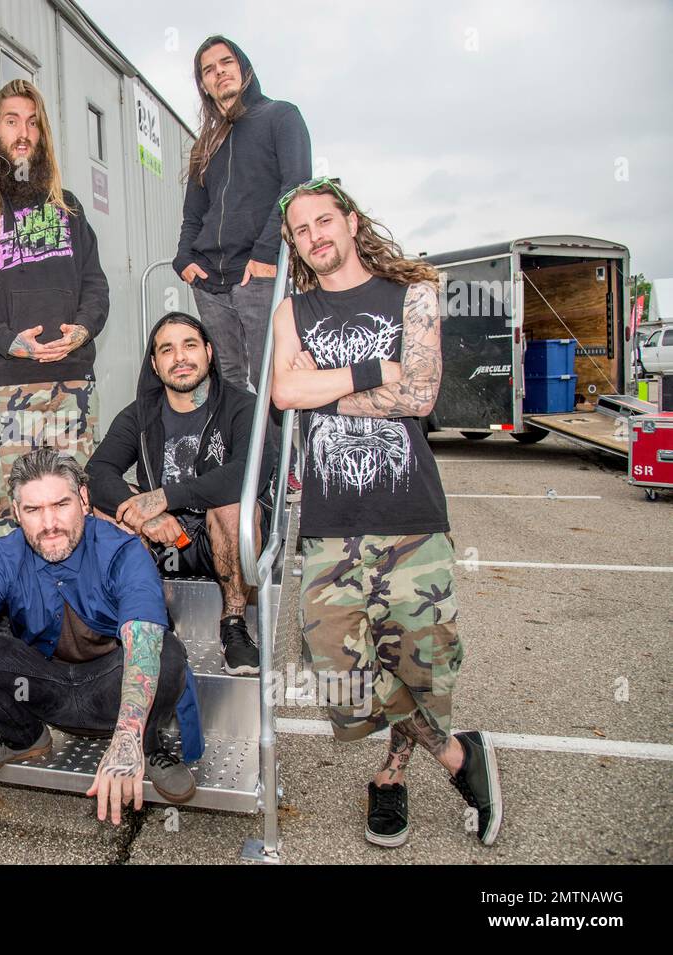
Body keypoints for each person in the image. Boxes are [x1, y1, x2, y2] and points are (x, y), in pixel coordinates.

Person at [270, 177, 503, 848]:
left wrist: (323, 388)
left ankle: (392, 777)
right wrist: (377, 370)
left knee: (421, 663)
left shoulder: (415, 293)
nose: (315, 236)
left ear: (349, 219)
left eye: (323, 220)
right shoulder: (294, 311)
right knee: (337, 674)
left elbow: (423, 394)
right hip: (329, 522)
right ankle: (460, 755)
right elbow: (285, 390)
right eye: (301, 231)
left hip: (410, 516)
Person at [0, 449, 203, 825]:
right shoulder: (2, 557)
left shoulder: (122, 551)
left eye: (61, 504)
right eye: (33, 510)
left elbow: (143, 637)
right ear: (16, 513)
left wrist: (126, 737)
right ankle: (25, 738)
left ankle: (145, 746)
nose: (49, 524)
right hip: (43, 689)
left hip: (112, 693)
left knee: (164, 653)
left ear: (83, 499)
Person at [0, 79, 110, 543]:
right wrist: (8, 340)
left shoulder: (68, 206)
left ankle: (75, 615)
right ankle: (20, 615)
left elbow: (96, 284)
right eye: (12, 120)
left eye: (33, 122)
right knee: (5, 516)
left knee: (72, 513)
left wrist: (82, 330)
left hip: (71, 381)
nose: (23, 132)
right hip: (3, 384)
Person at [87, 312, 277, 675]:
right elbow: (97, 472)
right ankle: (151, 621)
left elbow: (249, 471)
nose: (180, 357)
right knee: (107, 512)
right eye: (167, 350)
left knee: (233, 504)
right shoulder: (140, 415)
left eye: (190, 345)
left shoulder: (241, 406)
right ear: (156, 366)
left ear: (208, 352)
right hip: (163, 538)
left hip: (221, 539)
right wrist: (152, 513)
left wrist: (166, 496)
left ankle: (234, 627)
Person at [174, 36, 310, 492]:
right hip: (210, 279)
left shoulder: (280, 116)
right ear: (204, 85)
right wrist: (184, 260)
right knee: (229, 378)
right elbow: (193, 215)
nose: (219, 72)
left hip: (259, 272)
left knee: (271, 374)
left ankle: (280, 468)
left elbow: (295, 187)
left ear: (244, 67)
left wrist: (268, 254)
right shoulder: (205, 144)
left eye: (226, 62)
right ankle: (243, 470)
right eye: (208, 70)